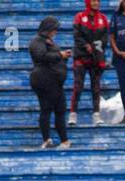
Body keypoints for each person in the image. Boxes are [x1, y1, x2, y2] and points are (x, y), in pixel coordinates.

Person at [30, 17, 72, 149]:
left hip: (54, 81)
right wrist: (60, 55)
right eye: (53, 29)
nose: (55, 31)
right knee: (48, 109)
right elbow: (40, 57)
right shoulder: (37, 41)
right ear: (47, 28)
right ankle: (48, 139)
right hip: (45, 80)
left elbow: (52, 57)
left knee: (59, 109)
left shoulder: (48, 41)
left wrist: (63, 56)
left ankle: (63, 140)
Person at [70, 0, 109, 126]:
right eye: (93, 1)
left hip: (96, 58)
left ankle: (96, 115)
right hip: (81, 57)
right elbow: (77, 36)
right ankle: (73, 114)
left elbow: (105, 37)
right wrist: (86, 45)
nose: (95, 3)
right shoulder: (79, 17)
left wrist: (98, 45)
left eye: (97, 1)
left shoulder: (103, 18)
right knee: (78, 87)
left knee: (96, 88)